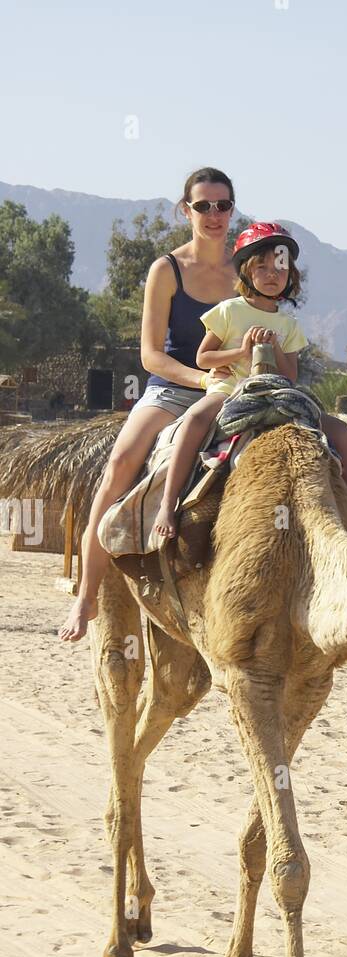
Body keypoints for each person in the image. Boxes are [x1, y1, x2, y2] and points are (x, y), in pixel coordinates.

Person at [59, 167, 239, 642]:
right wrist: (201, 378)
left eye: (223, 205)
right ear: (186, 210)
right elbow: (150, 354)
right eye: (204, 206)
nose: (214, 215)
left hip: (233, 391)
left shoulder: (247, 268)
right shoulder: (168, 270)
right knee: (120, 463)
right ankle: (87, 593)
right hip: (173, 387)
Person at [152, 222, 347, 537]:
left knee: (341, 430)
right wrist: (241, 351)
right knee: (195, 420)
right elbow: (203, 358)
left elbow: (290, 375)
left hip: (277, 397)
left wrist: (275, 347)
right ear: (246, 273)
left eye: (279, 268)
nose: (271, 275)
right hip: (230, 392)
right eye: (261, 267)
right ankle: (168, 504)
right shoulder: (229, 311)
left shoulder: (288, 324)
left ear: (290, 276)